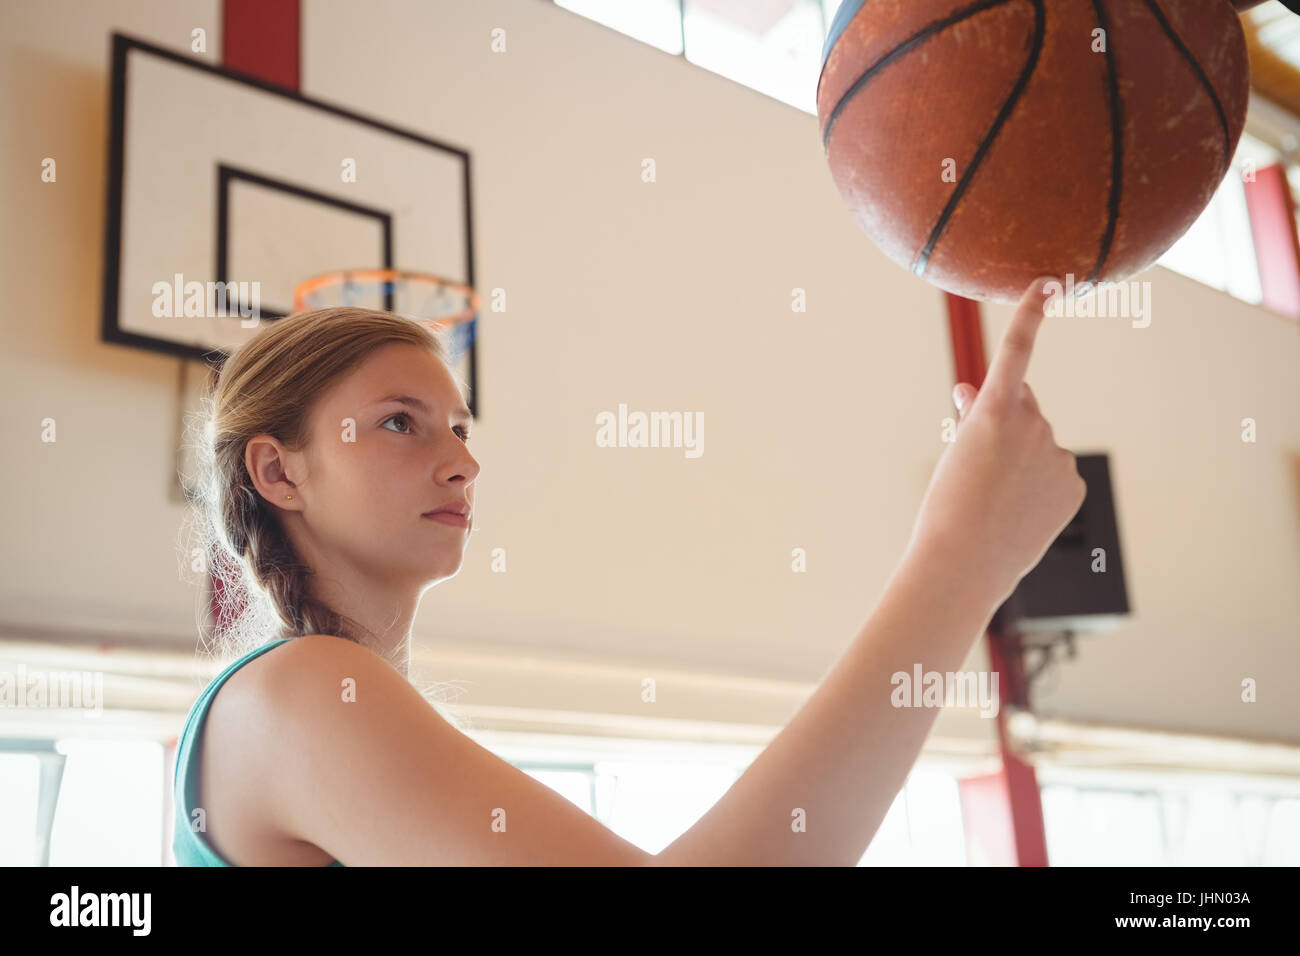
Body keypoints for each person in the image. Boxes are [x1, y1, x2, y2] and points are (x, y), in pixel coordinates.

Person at [172, 277, 1085, 866]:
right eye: (401, 422)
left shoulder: (316, 705)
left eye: (461, 427)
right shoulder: (303, 692)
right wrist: (961, 560)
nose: (462, 461)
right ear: (279, 469)